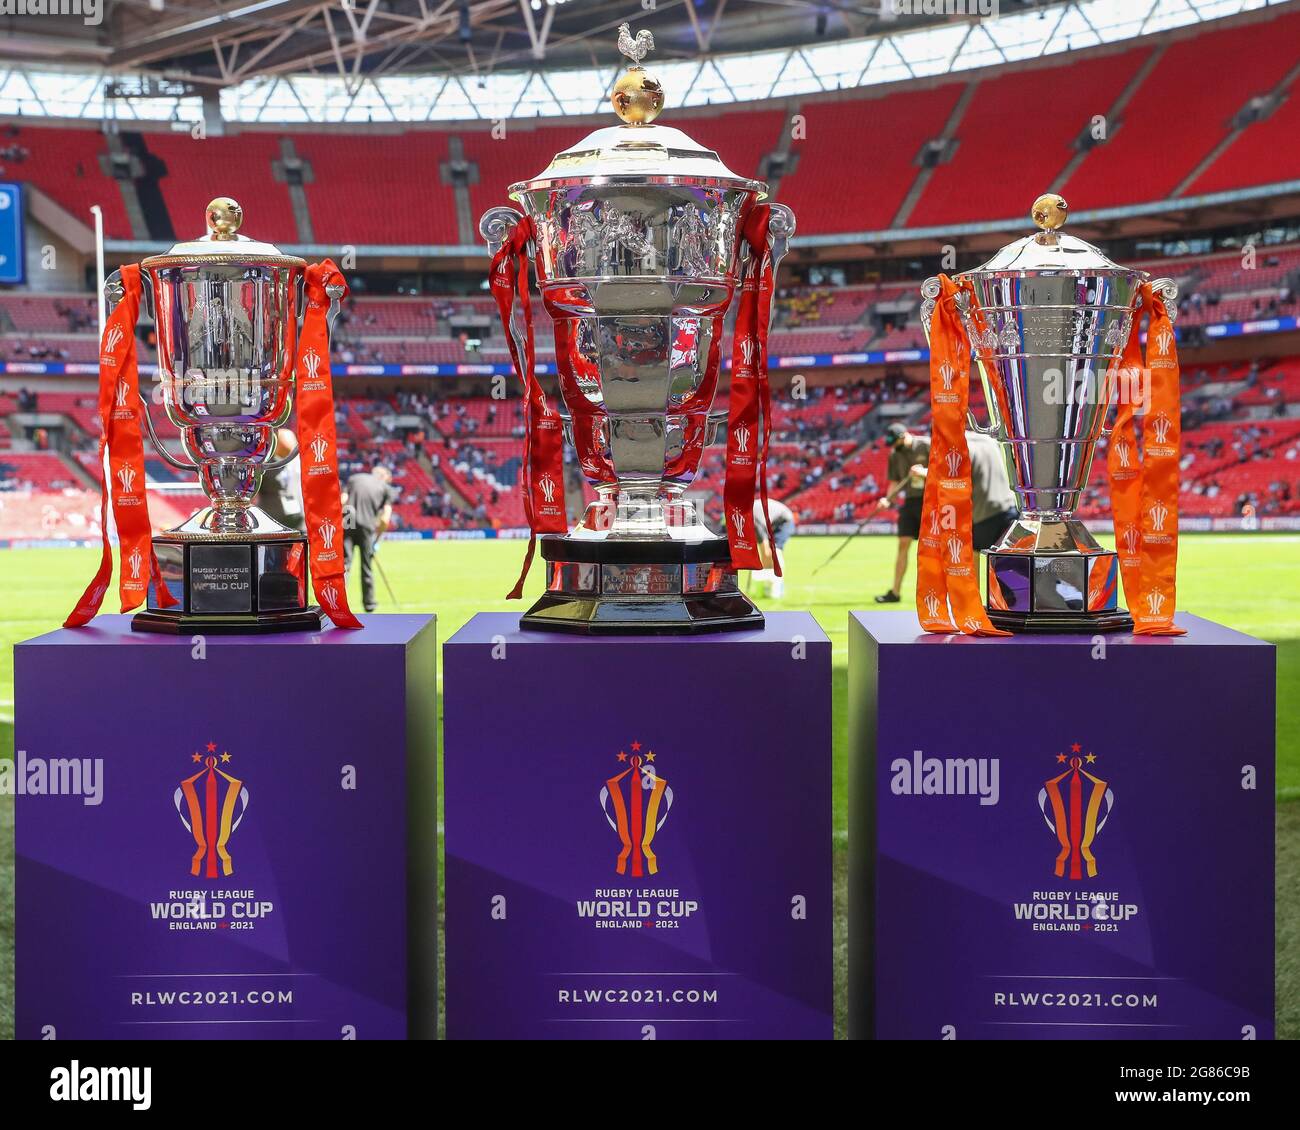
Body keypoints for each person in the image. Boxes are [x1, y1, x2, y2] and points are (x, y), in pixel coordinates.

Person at [873, 422, 930, 603]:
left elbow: (945, 472)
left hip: (931, 501)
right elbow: (894, 482)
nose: (893, 447)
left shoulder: (926, 445)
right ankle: (895, 592)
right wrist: (887, 499)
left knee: (930, 549)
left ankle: (934, 593)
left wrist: (924, 472)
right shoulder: (894, 455)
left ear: (903, 436)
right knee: (903, 544)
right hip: (911, 502)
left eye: (894, 442)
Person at [341, 464, 394, 613]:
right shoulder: (385, 487)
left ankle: (338, 602)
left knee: (344, 566)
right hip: (367, 527)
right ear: (385, 477)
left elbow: (342, 500)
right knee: (366, 567)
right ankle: (369, 604)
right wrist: (376, 539)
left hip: (348, 523)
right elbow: (385, 519)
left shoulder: (354, 478)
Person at [966, 430, 1018, 551]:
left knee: (980, 559)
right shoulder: (987, 440)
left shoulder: (961, 449)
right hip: (1009, 507)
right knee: (1008, 556)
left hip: (984, 513)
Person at [256, 428, 304, 532]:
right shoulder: (267, 466)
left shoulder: (297, 463)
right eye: (285, 441)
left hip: (296, 519)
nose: (291, 444)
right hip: (272, 520)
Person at [751, 497, 795, 600]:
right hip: (771, 518)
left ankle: (776, 585)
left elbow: (765, 552)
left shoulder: (754, 522)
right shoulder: (749, 516)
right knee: (768, 555)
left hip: (784, 520)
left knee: (775, 551)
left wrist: (765, 572)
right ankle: (770, 583)